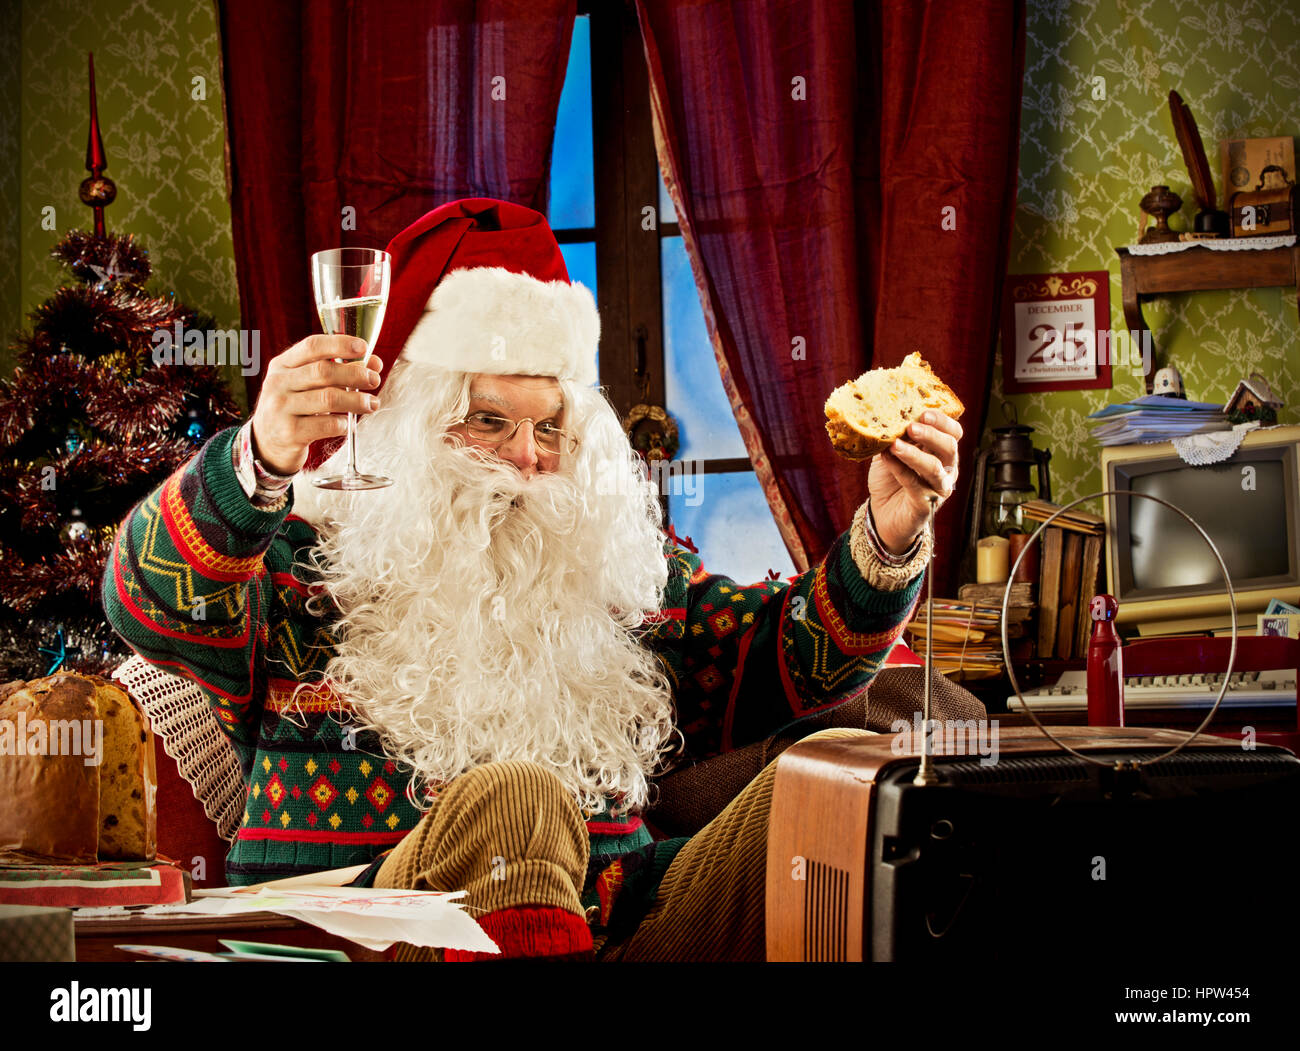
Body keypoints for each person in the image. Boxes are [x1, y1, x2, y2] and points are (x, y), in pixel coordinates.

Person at [103, 197, 962, 962]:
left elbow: (776, 661)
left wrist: (887, 533)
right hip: (375, 933)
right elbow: (150, 603)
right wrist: (259, 460)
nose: (526, 457)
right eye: (488, 420)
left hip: (617, 925)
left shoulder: (612, 569)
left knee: (833, 796)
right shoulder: (301, 556)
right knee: (516, 798)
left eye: (550, 426)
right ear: (409, 424)